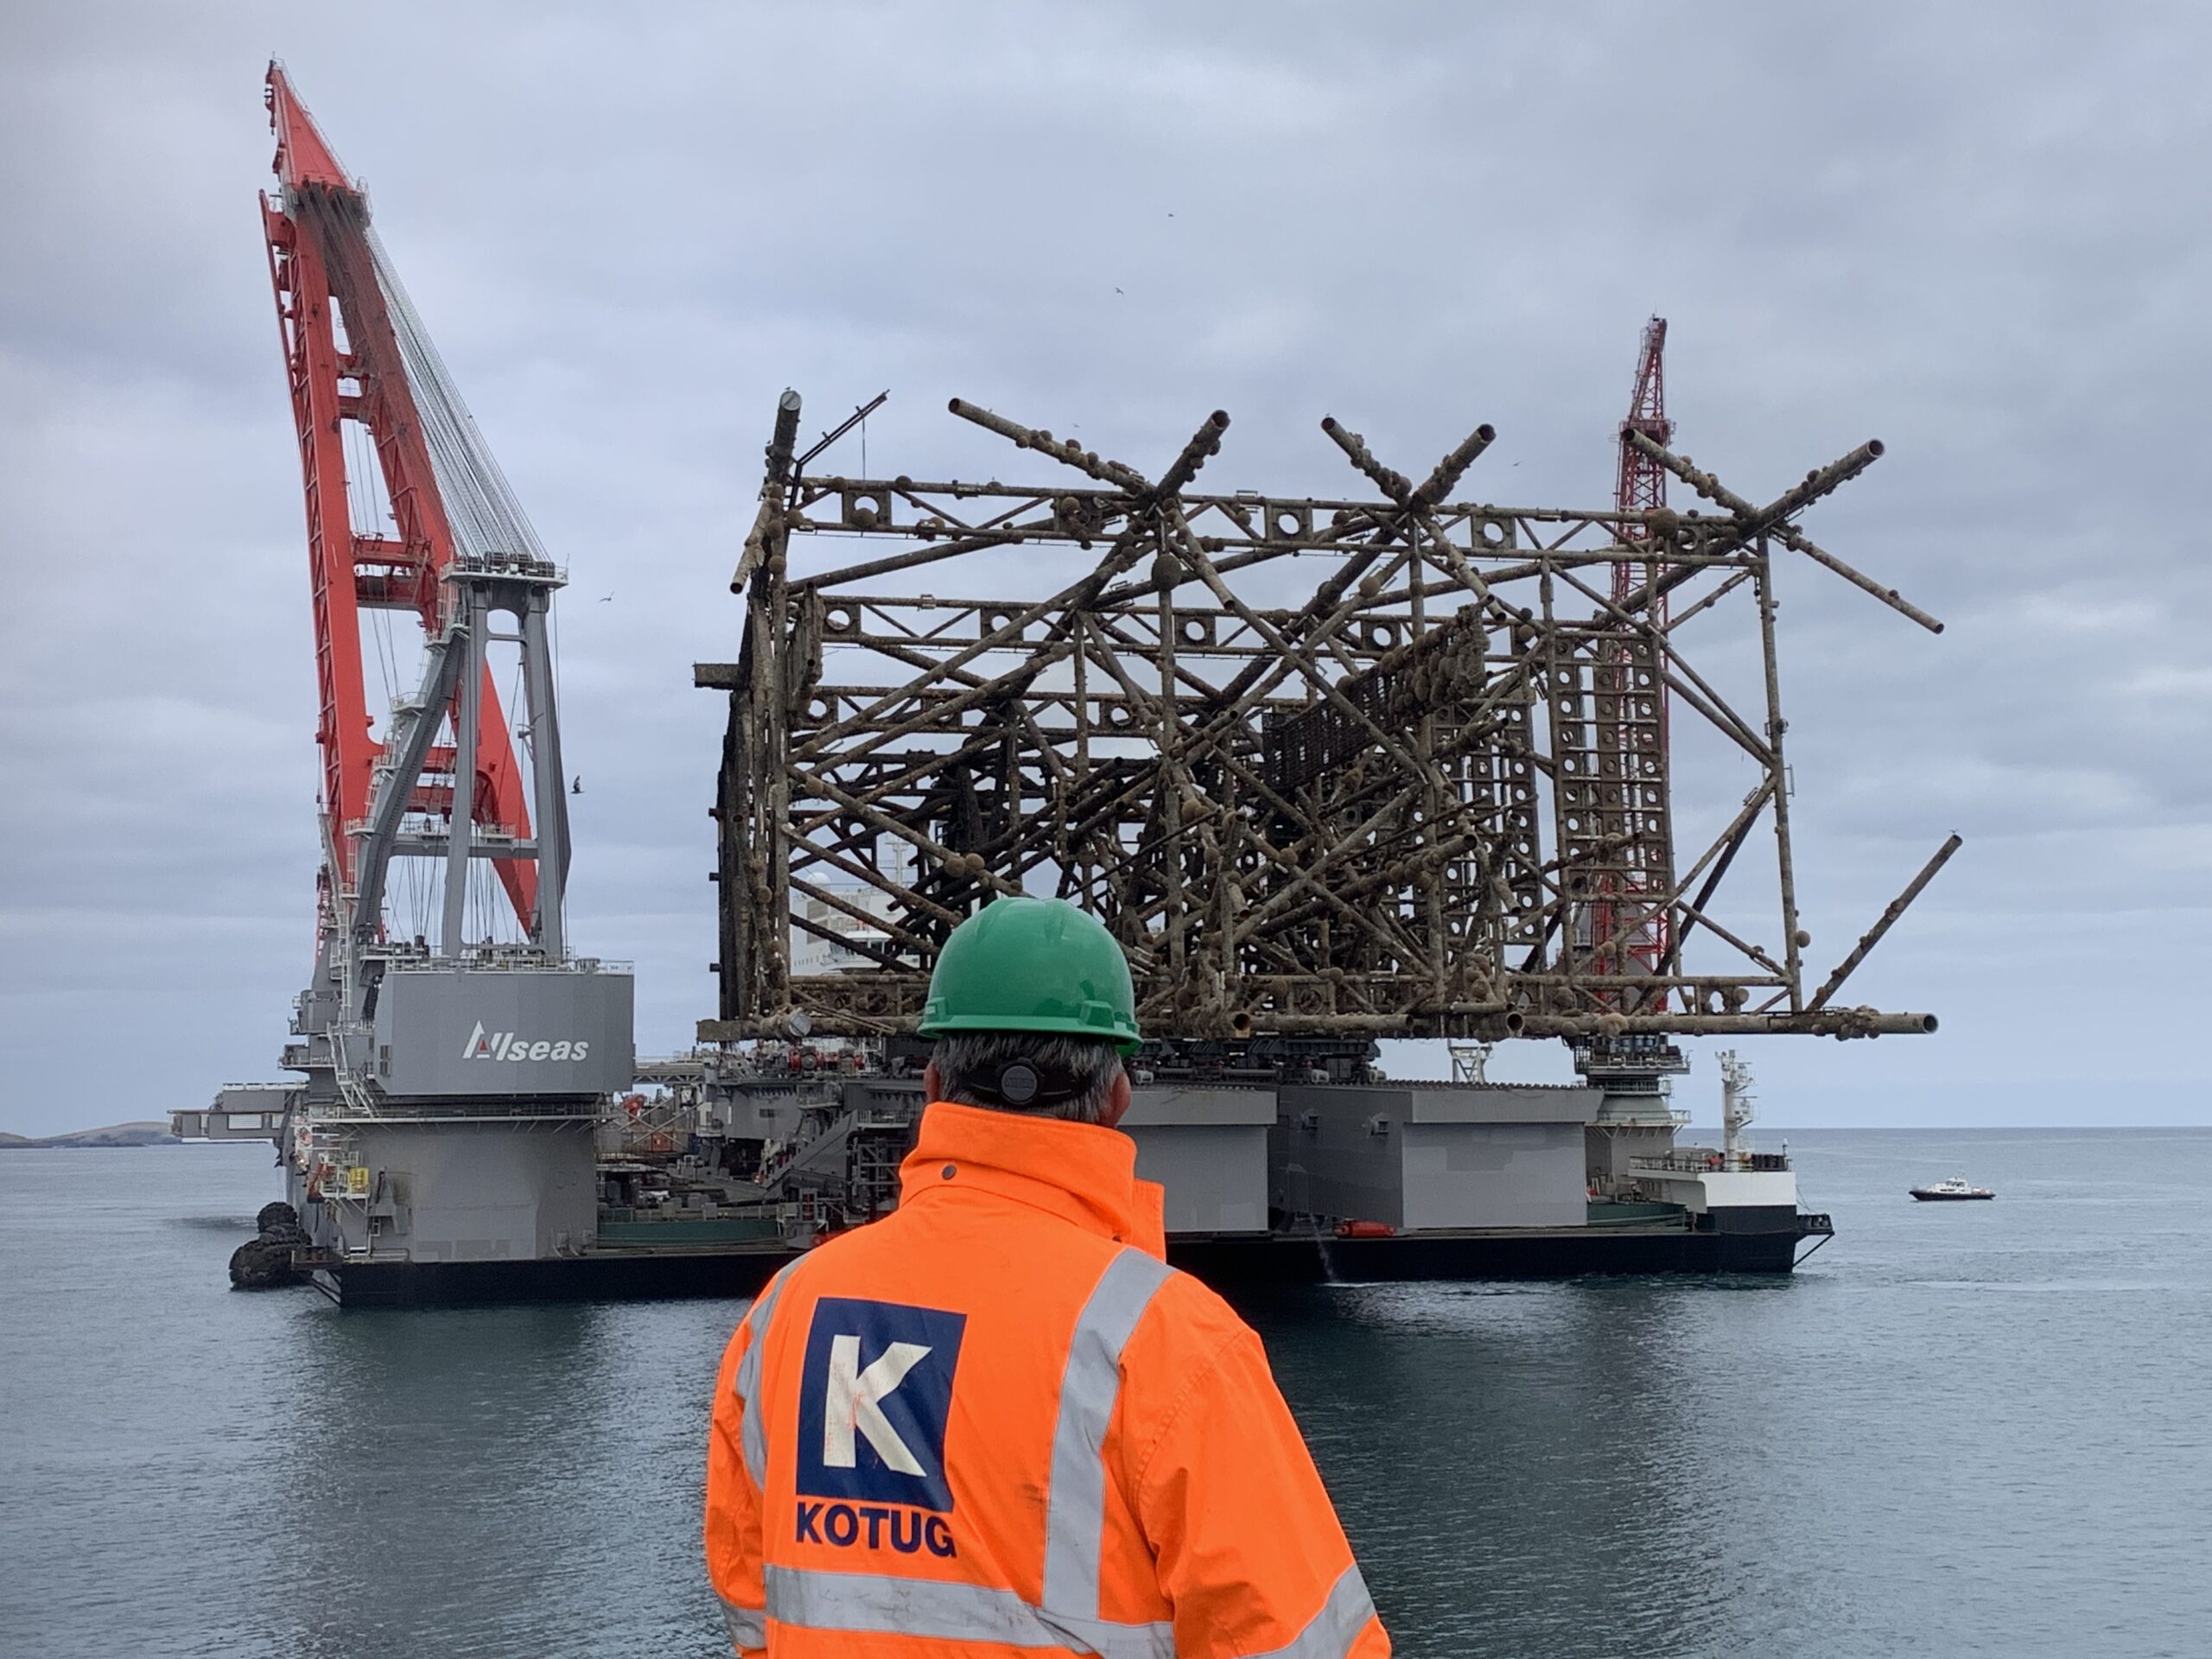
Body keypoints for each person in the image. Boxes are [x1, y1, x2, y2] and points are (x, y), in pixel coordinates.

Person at [706, 895, 1389, 1658]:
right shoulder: (1166, 1342)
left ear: (931, 1084)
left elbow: (749, 1600)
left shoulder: (785, 1311)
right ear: (1119, 1096)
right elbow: (1296, 1642)